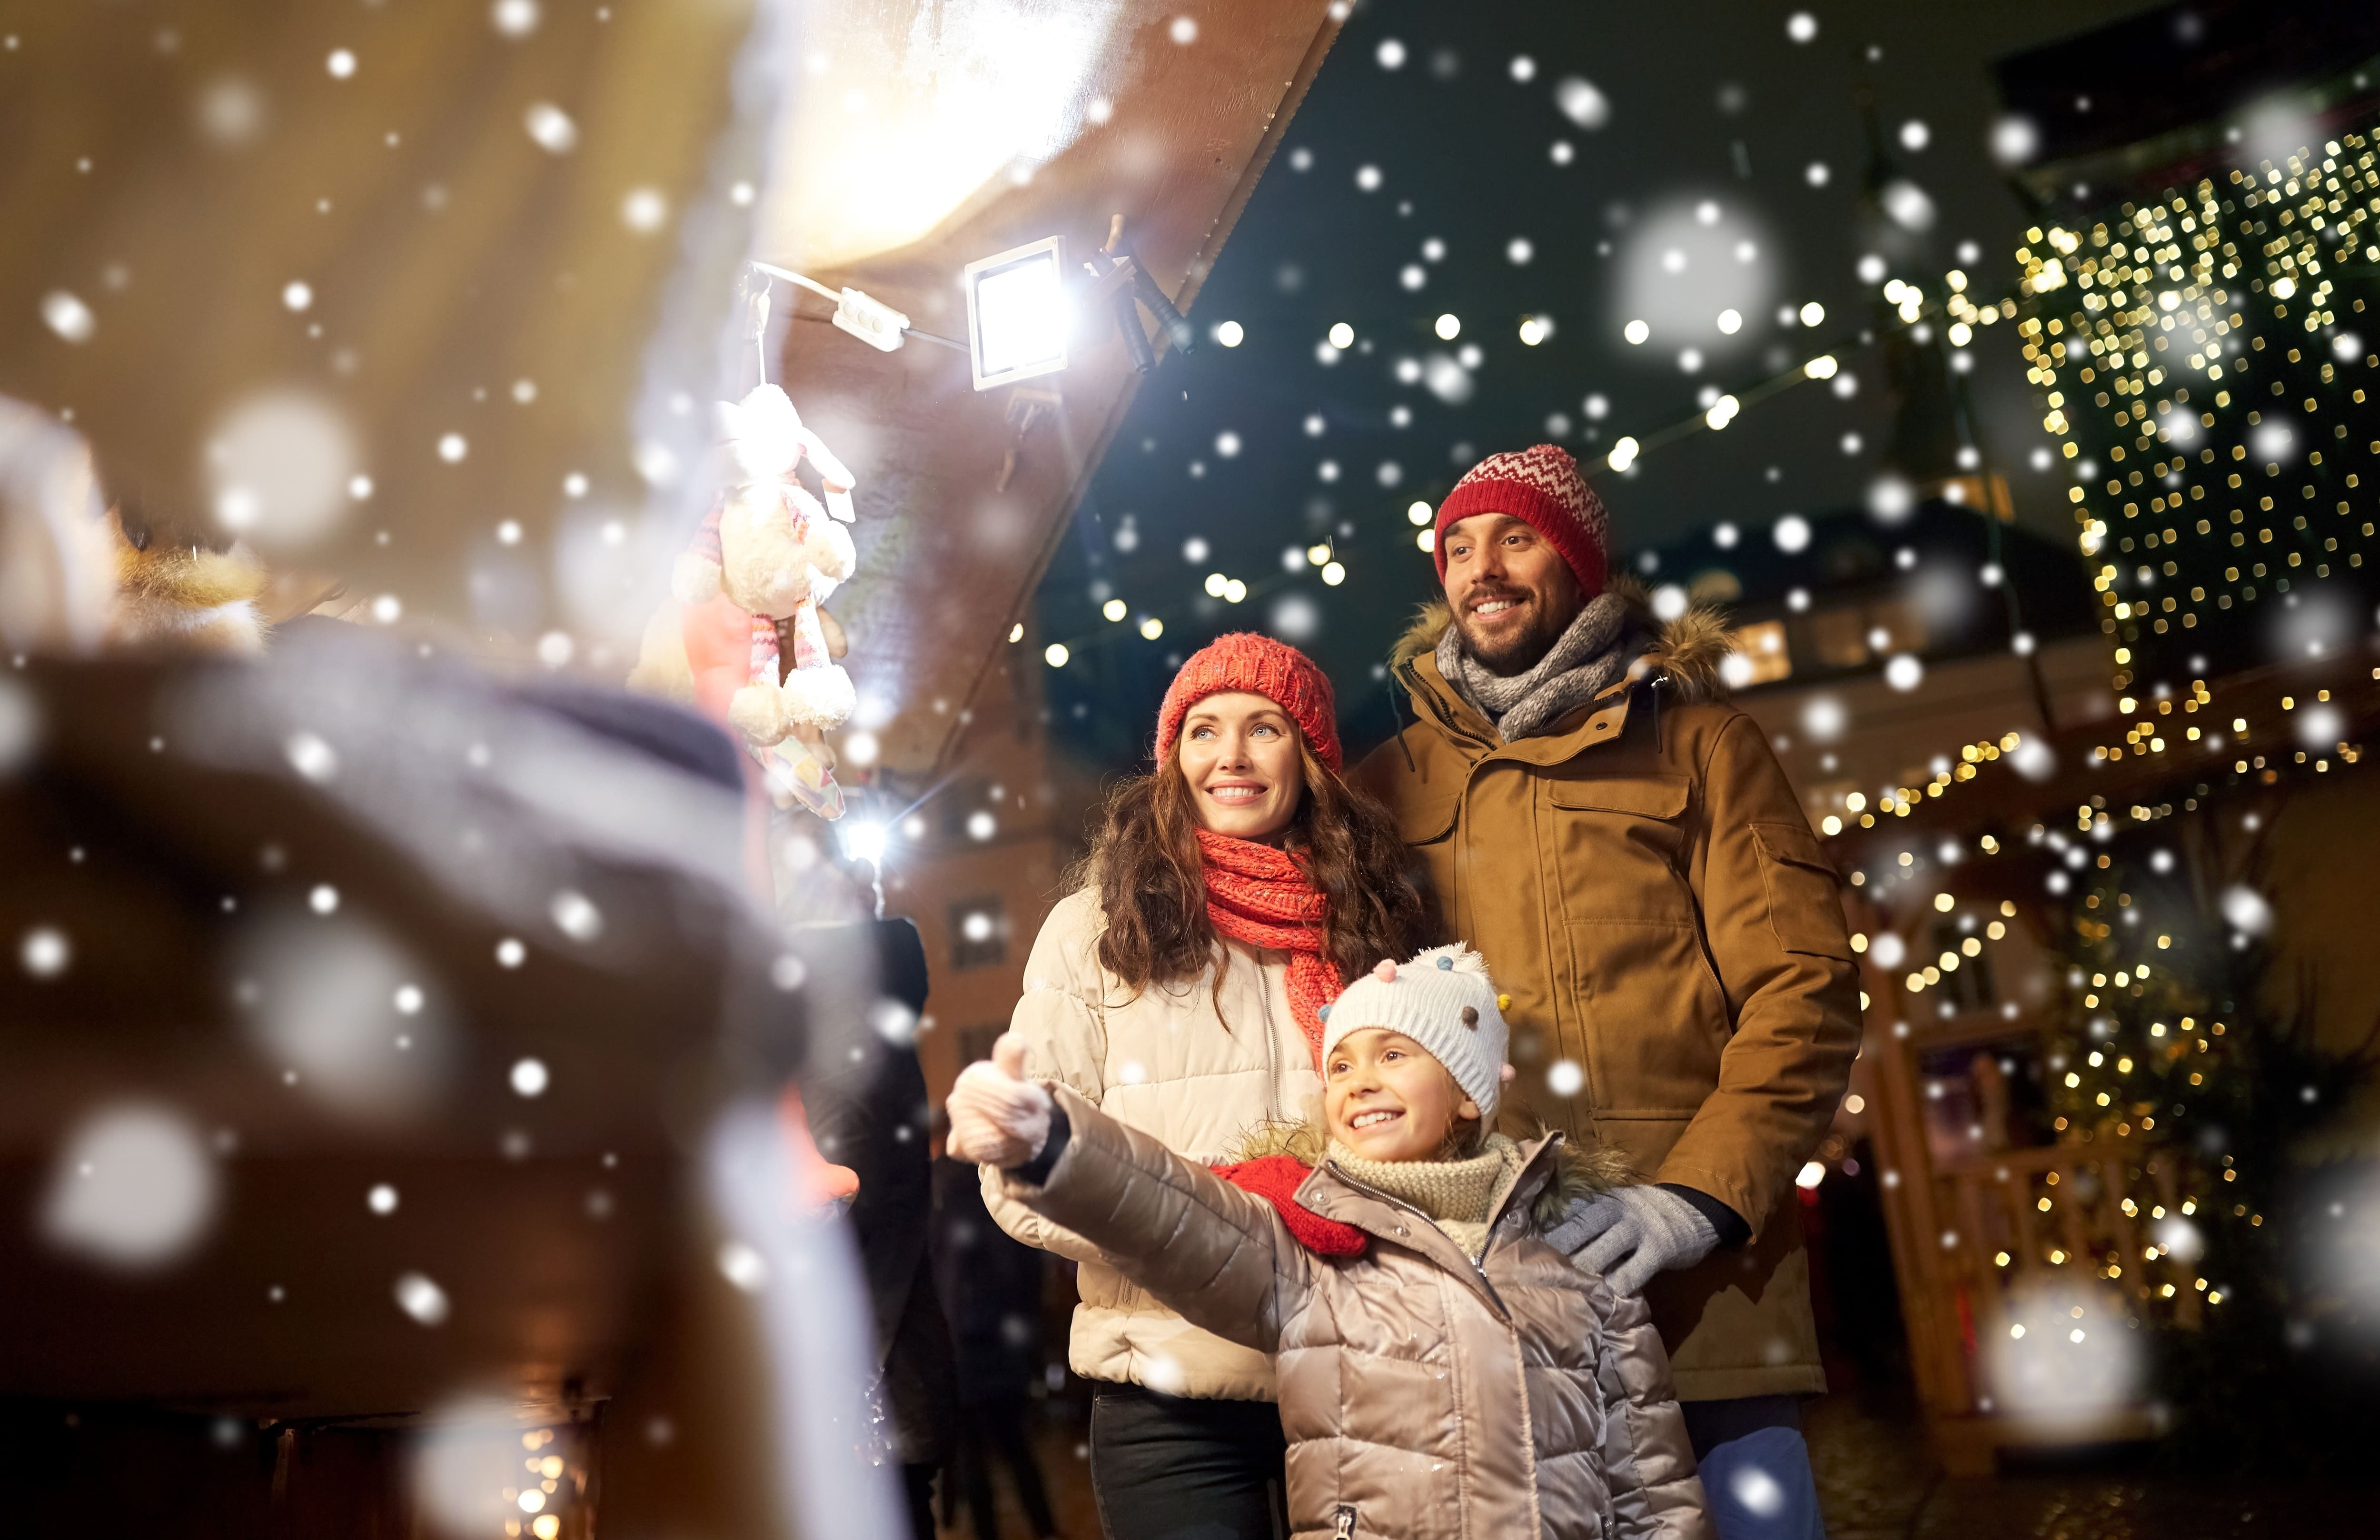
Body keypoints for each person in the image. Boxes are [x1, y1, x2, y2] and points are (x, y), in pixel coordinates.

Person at [1353, 446, 1858, 1540]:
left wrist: (1696, 1200)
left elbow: (1802, 991)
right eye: (1456, 547)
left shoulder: (1700, 744)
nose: (1482, 569)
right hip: (1496, 1300)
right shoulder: (1387, 783)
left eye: (1515, 538)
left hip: (1702, 1301)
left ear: (1579, 562)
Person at [947, 944, 1713, 1540]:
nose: (1358, 1080)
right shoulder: (1315, 1250)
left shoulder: (1576, 1254)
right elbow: (1176, 1213)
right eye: (1340, 1063)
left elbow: (1653, 1484)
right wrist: (1054, 1142)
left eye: (1394, 1053)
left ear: (1468, 1093)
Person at [981, 634, 1426, 1540]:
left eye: (1265, 728)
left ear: (1310, 759)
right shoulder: (1093, 928)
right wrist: (1209, 1219)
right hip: (1166, 1391)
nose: (1232, 757)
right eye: (1204, 730)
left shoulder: (1371, 922)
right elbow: (1021, 1178)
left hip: (1357, 1377)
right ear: (1172, 761)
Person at [931, 1143, 1062, 1540]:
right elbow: (1020, 1274)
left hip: (960, 1340)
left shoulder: (939, 1197)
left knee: (973, 1452)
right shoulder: (998, 1194)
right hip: (999, 1338)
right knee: (1014, 1444)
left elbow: (943, 1277)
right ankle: (1046, 1530)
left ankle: (991, 1533)